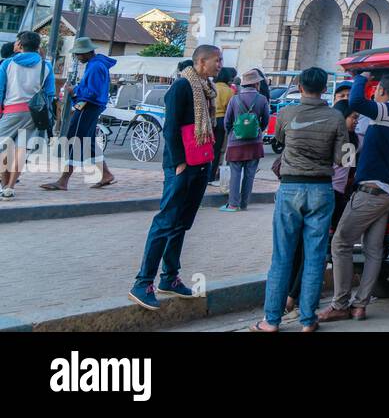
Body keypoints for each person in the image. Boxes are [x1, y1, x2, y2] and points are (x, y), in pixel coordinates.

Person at [127, 44, 222, 310]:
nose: (220, 64)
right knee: (166, 221)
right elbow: (170, 129)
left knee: (181, 223)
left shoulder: (206, 89)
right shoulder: (182, 87)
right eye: (217, 60)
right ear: (201, 62)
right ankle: (142, 281)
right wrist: (179, 162)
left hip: (200, 164)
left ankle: (169, 278)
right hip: (182, 166)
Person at [253, 67, 347, 332]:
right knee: (315, 256)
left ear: (301, 87)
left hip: (290, 189)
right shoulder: (335, 118)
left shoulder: (286, 113)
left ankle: (271, 320)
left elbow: (280, 141)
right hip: (321, 190)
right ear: (325, 88)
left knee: (282, 256)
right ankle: (308, 320)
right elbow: (342, 158)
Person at [320, 71, 389, 323]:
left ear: (381, 90)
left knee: (340, 242)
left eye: (375, 89)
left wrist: (360, 77)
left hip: (371, 190)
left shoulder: (385, 110)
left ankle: (340, 304)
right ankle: (360, 306)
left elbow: (356, 102)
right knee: (373, 250)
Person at [42, 36, 116, 191]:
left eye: (78, 54)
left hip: (88, 107)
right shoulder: (98, 64)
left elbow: (92, 92)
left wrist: (74, 90)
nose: (77, 57)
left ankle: (63, 181)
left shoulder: (95, 67)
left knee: (75, 141)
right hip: (93, 107)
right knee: (88, 142)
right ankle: (106, 174)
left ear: (85, 53)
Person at [0, 31, 55, 199]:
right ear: (38, 47)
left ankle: (3, 185)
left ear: (20, 46)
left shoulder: (7, 64)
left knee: (3, 150)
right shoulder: (46, 66)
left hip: (10, 111)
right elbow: (50, 93)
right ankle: (10, 188)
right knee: (20, 150)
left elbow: (0, 90)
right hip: (33, 114)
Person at [221, 69, 271, 212]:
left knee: (235, 173)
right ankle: (244, 204)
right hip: (254, 144)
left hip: (235, 143)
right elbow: (265, 121)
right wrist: (256, 132)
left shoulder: (234, 99)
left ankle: (233, 204)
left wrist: (233, 133)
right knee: (250, 175)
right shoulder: (262, 99)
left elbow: (227, 121)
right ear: (256, 84)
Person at [210, 67, 237, 185]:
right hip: (222, 121)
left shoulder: (211, 87)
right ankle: (212, 175)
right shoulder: (229, 91)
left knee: (207, 147)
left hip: (209, 119)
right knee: (218, 150)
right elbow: (231, 110)